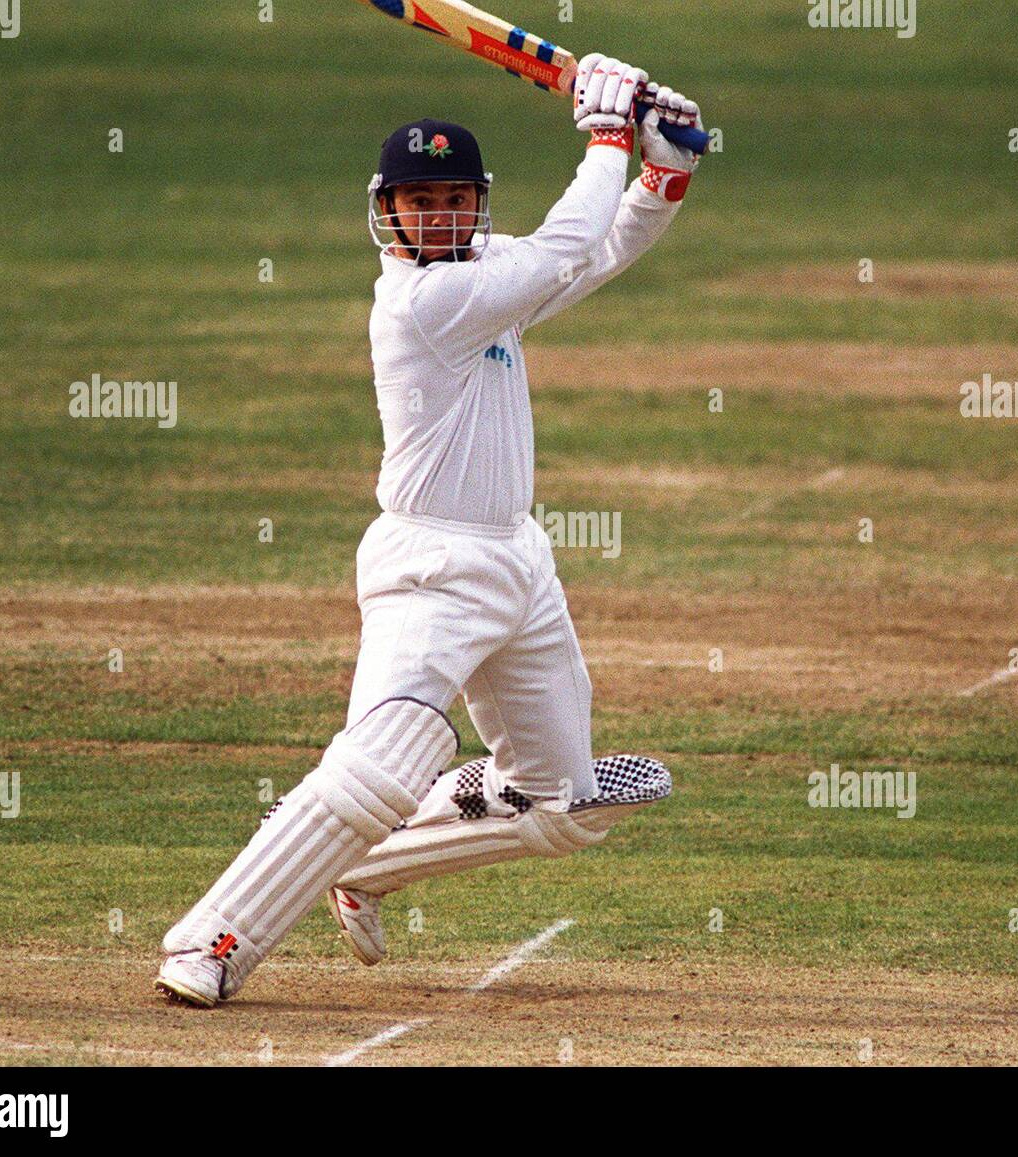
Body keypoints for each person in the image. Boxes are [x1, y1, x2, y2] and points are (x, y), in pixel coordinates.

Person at [156, 55, 701, 1007]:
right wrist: (608, 135)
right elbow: (564, 245)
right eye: (421, 200)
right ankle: (211, 940)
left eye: (456, 198)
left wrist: (659, 176)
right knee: (385, 763)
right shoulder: (423, 304)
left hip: (518, 562)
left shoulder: (488, 276)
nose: (440, 215)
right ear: (389, 211)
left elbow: (591, 253)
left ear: (477, 204)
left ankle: (360, 864)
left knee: (566, 806)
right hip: (430, 567)